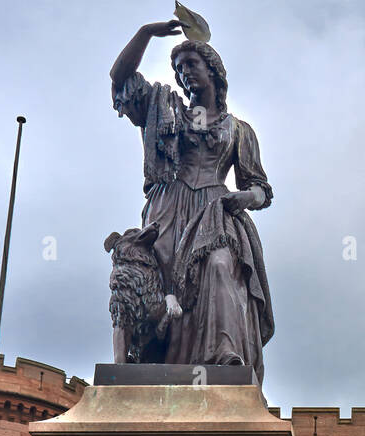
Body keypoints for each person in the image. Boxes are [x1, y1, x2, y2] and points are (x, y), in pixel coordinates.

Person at [109, 20, 274, 375]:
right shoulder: (164, 108)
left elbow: (261, 188)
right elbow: (120, 78)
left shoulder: (239, 130)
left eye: (192, 65)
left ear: (213, 70)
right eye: (179, 68)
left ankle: (223, 358)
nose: (185, 73)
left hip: (216, 212)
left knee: (218, 267)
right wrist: (145, 34)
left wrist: (245, 197)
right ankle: (155, 366)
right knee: (163, 286)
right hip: (167, 209)